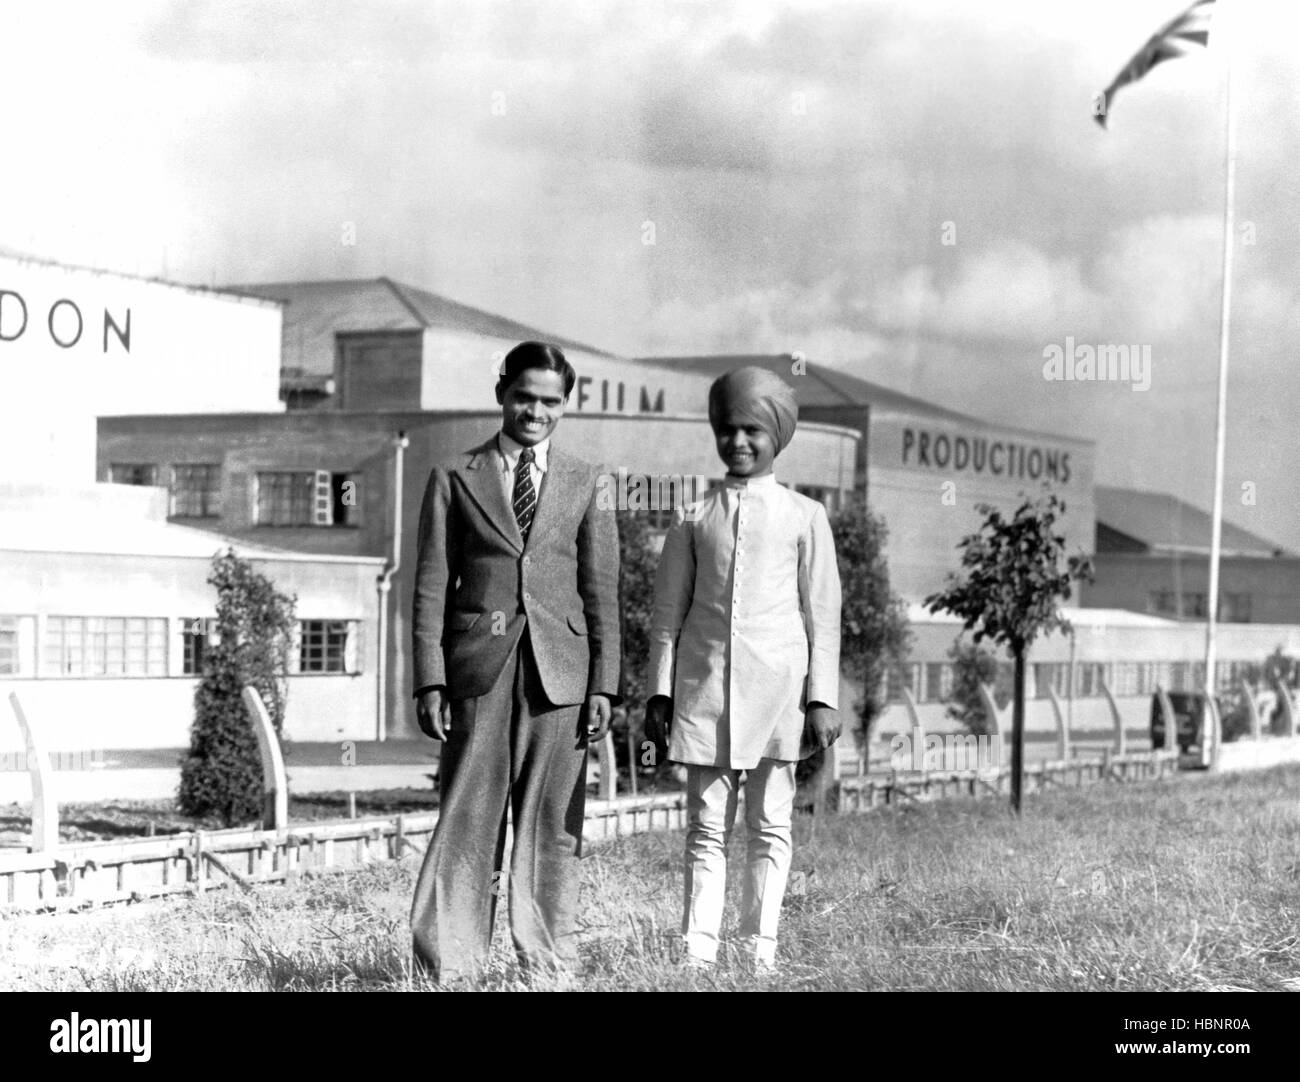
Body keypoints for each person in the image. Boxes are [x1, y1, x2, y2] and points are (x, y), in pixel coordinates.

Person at [409, 340, 621, 982]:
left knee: (553, 827)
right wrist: (430, 678)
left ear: (566, 404)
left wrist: (605, 685)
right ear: (502, 392)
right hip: (479, 671)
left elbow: (601, 589)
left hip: (563, 676)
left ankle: (549, 965)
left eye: (550, 401)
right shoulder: (454, 476)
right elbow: (428, 584)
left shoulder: (590, 482)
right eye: (525, 396)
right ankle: (452, 966)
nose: (536, 411)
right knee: (467, 819)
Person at [644, 365, 842, 970]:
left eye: (753, 430)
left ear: (776, 435)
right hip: (704, 695)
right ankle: (696, 952)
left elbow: (822, 614)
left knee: (769, 825)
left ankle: (760, 950)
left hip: (780, 694)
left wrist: (822, 697)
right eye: (729, 429)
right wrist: (659, 692)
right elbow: (665, 616)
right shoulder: (691, 518)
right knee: (705, 828)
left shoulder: (805, 516)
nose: (739, 442)